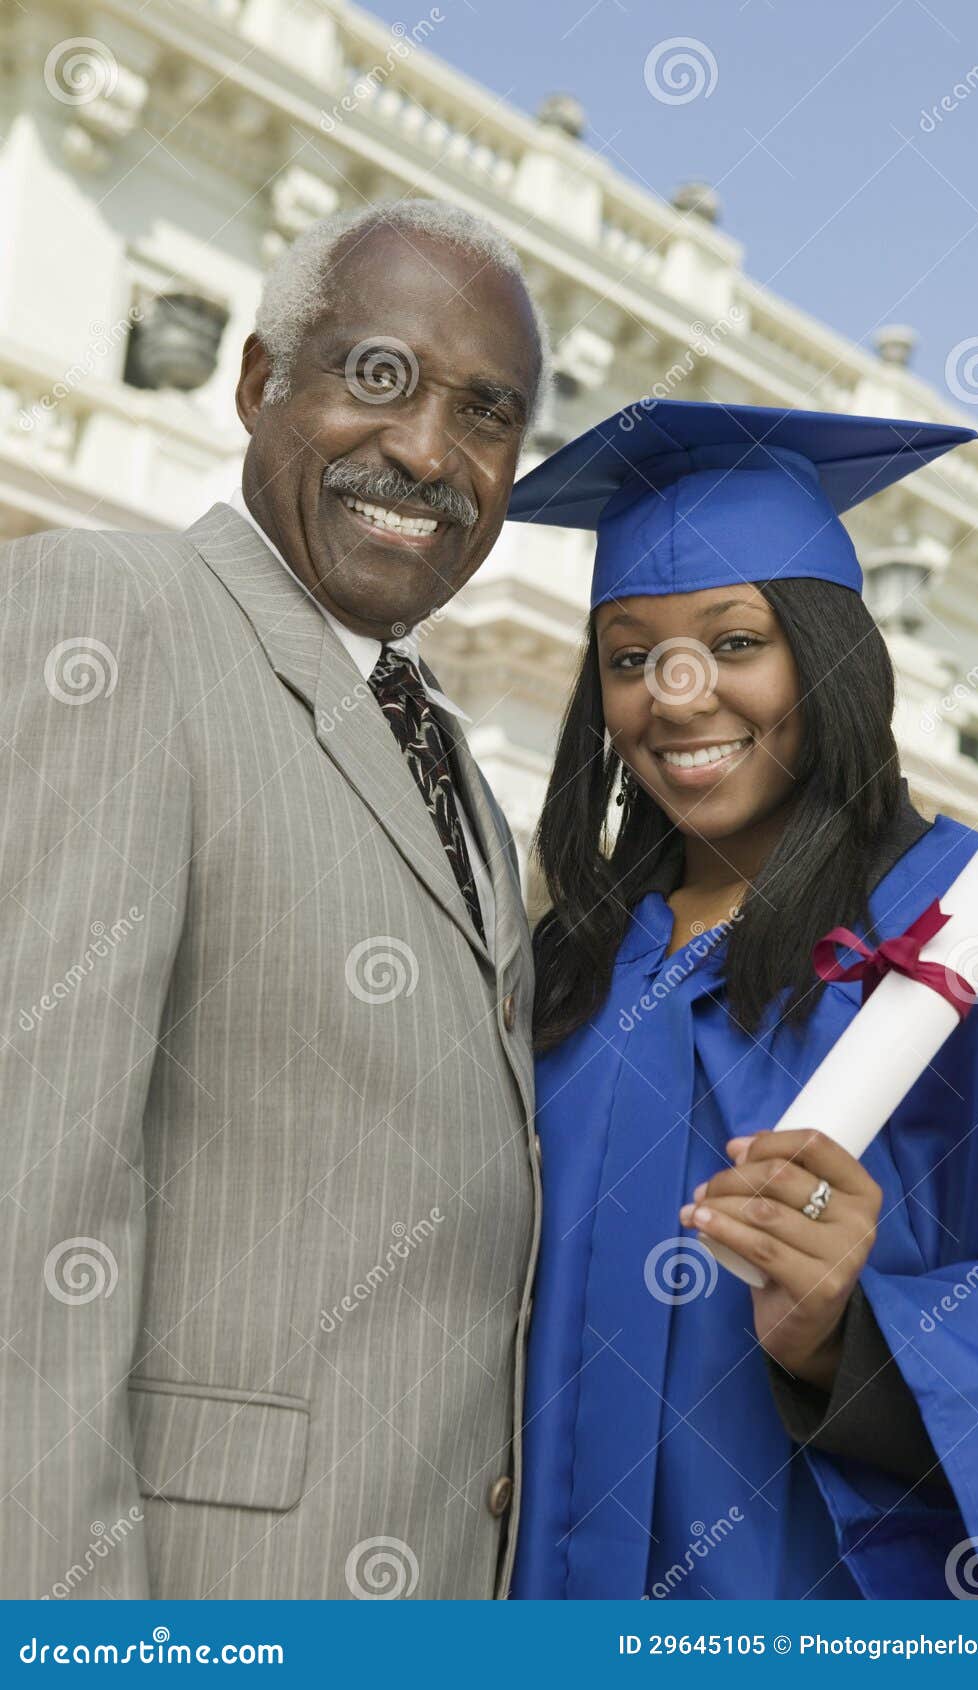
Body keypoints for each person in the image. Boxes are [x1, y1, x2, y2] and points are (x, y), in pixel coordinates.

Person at [0, 200, 548, 1600]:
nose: (426, 451)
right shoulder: (112, 614)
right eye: (377, 378)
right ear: (257, 385)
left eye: (484, 415)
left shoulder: (465, 786)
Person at [506, 399, 978, 1600]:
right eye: (627, 656)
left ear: (830, 653)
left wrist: (853, 1339)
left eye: (735, 640)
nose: (677, 693)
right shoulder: (563, 966)